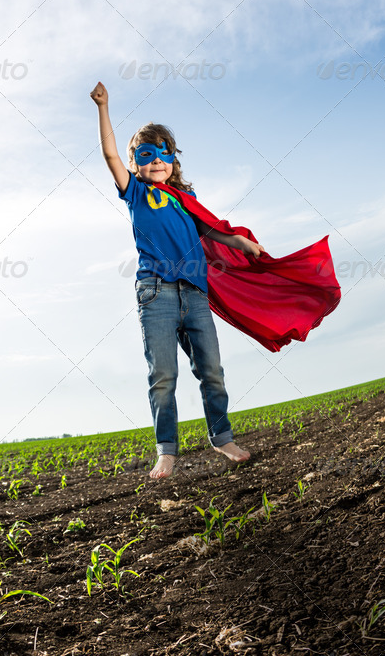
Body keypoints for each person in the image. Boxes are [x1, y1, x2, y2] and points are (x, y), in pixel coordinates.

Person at [90, 81, 263, 479]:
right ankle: (166, 451)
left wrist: (238, 240)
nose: (156, 162)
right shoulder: (134, 192)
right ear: (136, 163)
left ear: (173, 161)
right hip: (156, 294)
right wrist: (104, 106)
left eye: (163, 155)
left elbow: (211, 230)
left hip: (195, 295)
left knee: (212, 371)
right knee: (163, 375)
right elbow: (109, 153)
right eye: (146, 156)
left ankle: (222, 437)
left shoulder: (186, 200)